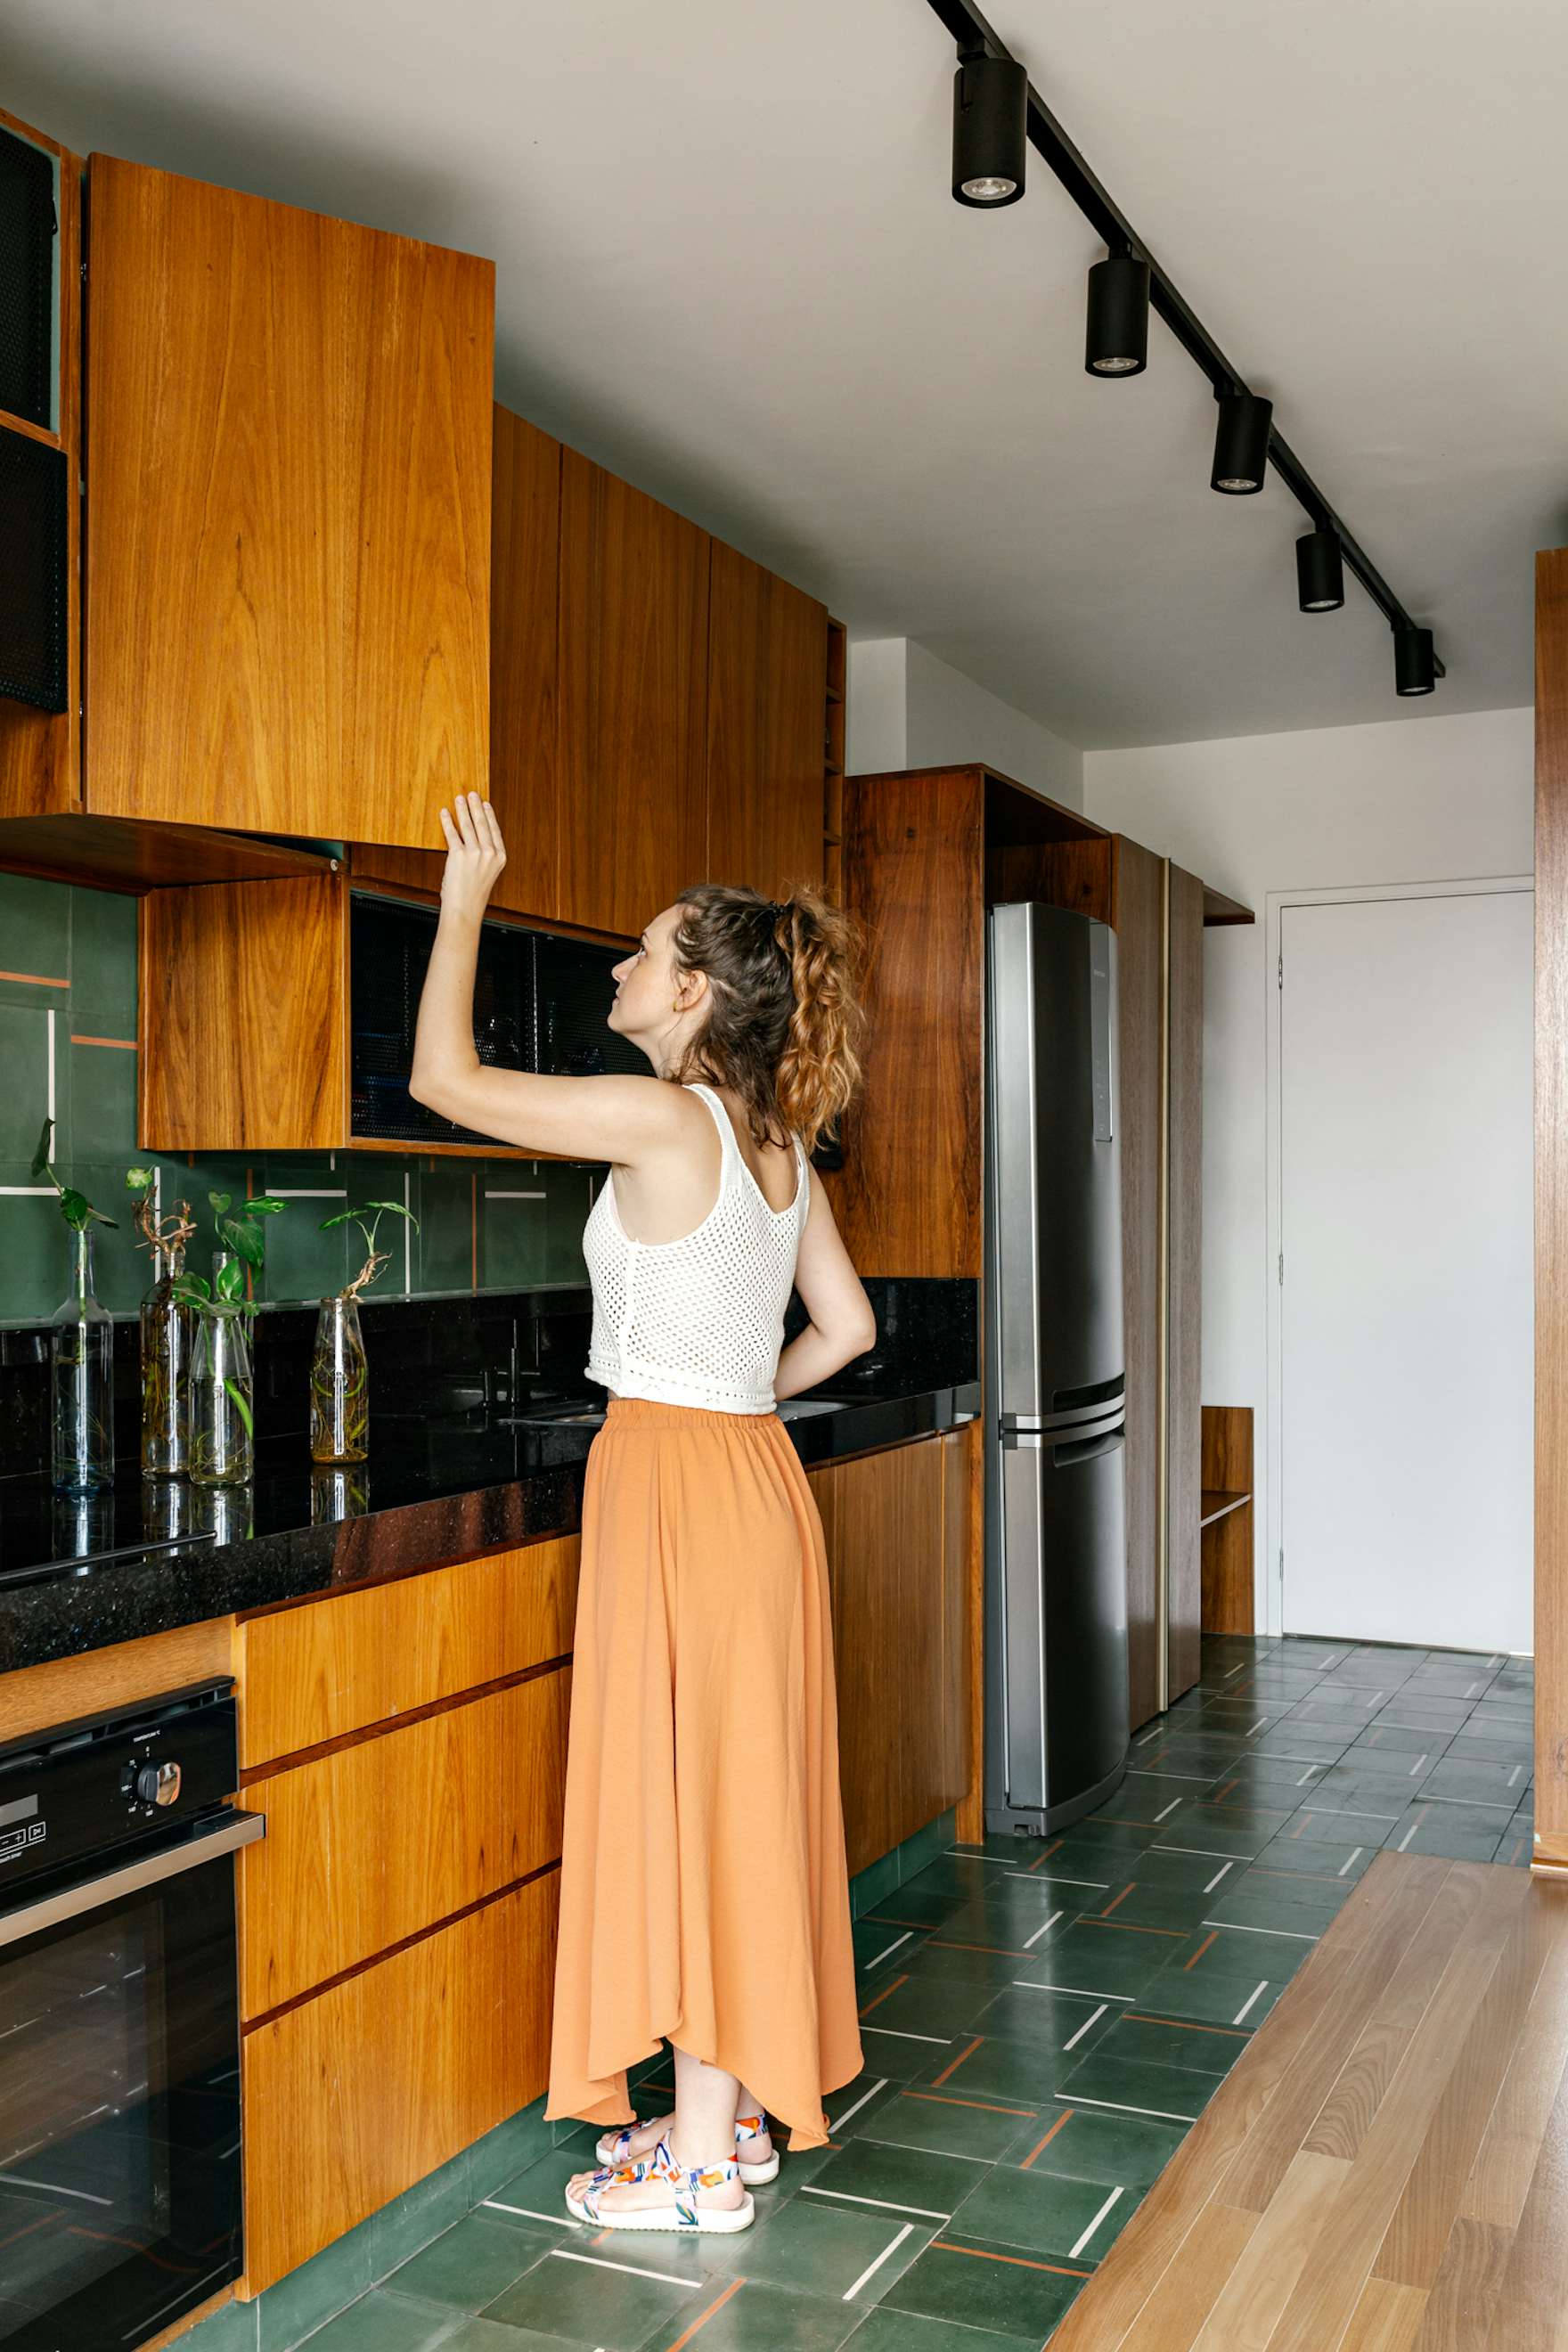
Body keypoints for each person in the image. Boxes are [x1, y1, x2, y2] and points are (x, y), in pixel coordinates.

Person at [409, 790, 876, 2236]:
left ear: (690, 996)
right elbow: (847, 1330)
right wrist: (735, 1396)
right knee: (734, 1799)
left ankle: (700, 2172)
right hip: (749, 1482)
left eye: (638, 956)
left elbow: (444, 1080)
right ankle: (714, 2135)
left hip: (675, 1483)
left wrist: (465, 900)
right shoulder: (777, 1143)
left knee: (699, 1801)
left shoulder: (661, 1115)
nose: (617, 971)